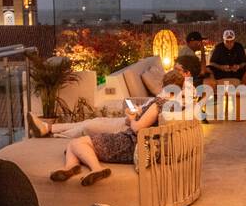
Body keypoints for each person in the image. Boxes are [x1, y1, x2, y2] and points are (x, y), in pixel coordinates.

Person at [51, 68, 186, 184]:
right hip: (130, 141)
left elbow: (138, 128)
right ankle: (70, 167)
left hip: (128, 144)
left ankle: (97, 169)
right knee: (73, 145)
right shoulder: (176, 106)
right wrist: (134, 117)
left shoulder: (159, 103)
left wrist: (132, 119)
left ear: (163, 85)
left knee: (77, 143)